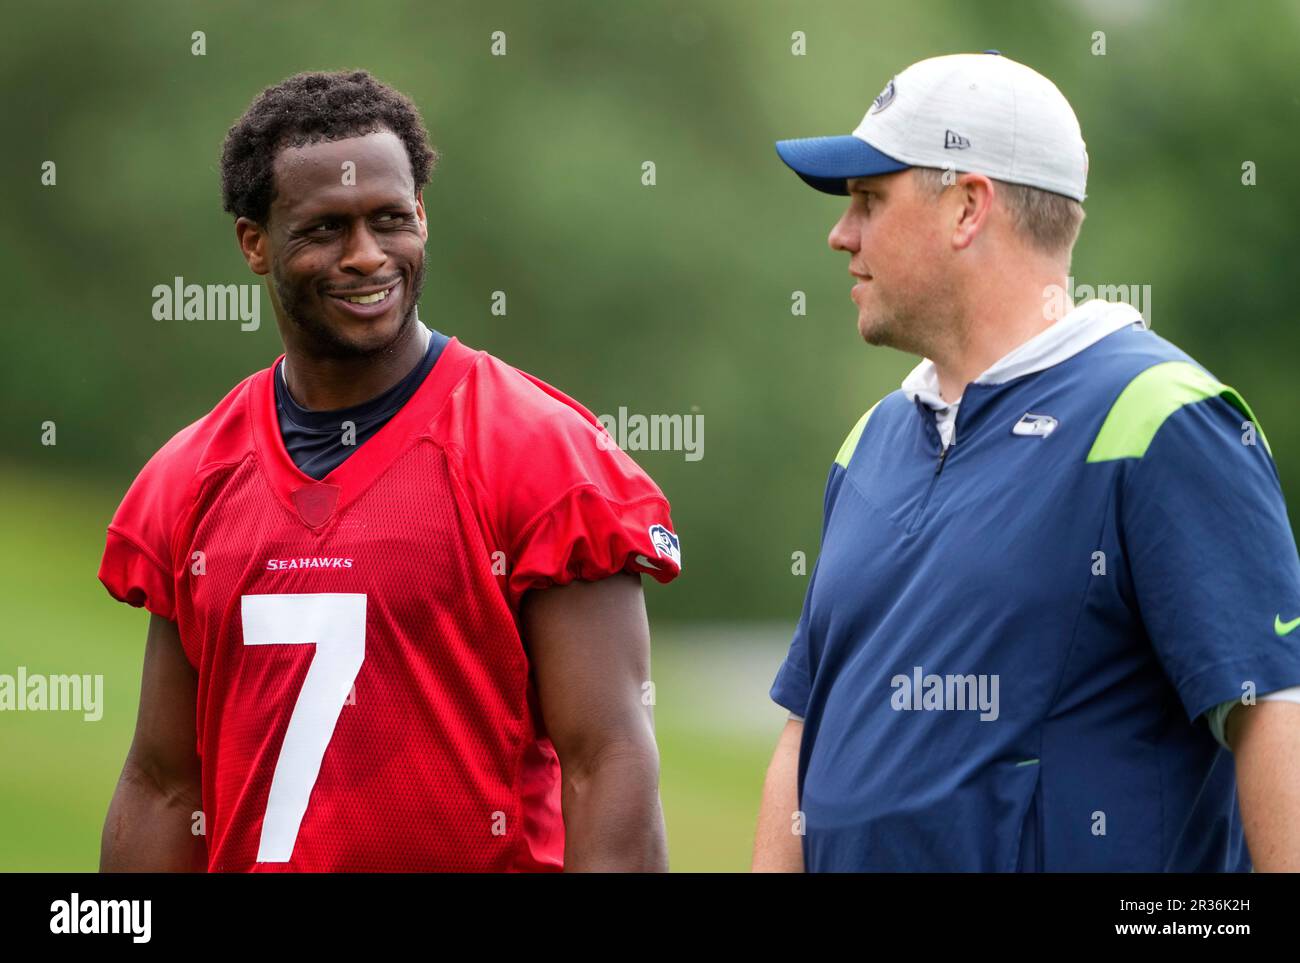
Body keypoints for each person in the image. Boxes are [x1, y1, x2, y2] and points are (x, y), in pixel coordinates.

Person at [98, 70, 682, 872]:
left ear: (423, 218)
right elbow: (164, 784)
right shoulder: (189, 476)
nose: (367, 256)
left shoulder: (538, 453)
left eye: (390, 220)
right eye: (325, 230)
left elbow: (607, 759)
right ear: (254, 243)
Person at [753, 52, 1300, 871]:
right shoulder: (871, 442)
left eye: (869, 199)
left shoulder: (1159, 417)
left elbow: (1272, 712)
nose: (842, 234)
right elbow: (804, 736)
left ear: (967, 208)